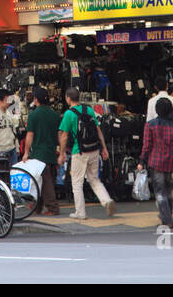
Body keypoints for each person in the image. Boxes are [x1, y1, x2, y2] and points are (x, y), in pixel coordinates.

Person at [58, 87, 115, 219]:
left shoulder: (69, 114)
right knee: (94, 179)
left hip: (80, 151)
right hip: (94, 149)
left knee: (77, 183)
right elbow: (98, 130)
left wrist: (61, 153)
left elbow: (64, 136)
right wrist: (104, 148)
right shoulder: (89, 110)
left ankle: (81, 212)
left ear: (68, 98)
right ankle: (106, 200)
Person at [138, 96, 173, 229]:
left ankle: (166, 219)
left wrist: (141, 161)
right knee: (167, 191)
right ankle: (168, 215)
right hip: (171, 162)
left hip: (155, 162)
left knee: (160, 191)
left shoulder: (150, 125)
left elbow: (147, 145)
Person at [22, 87, 61, 216]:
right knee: (42, 179)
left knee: (45, 180)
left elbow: (30, 135)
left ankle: (53, 207)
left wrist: (26, 152)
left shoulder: (33, 115)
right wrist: (60, 149)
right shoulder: (55, 115)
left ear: (36, 99)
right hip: (51, 151)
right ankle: (37, 206)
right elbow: (59, 134)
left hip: (38, 152)